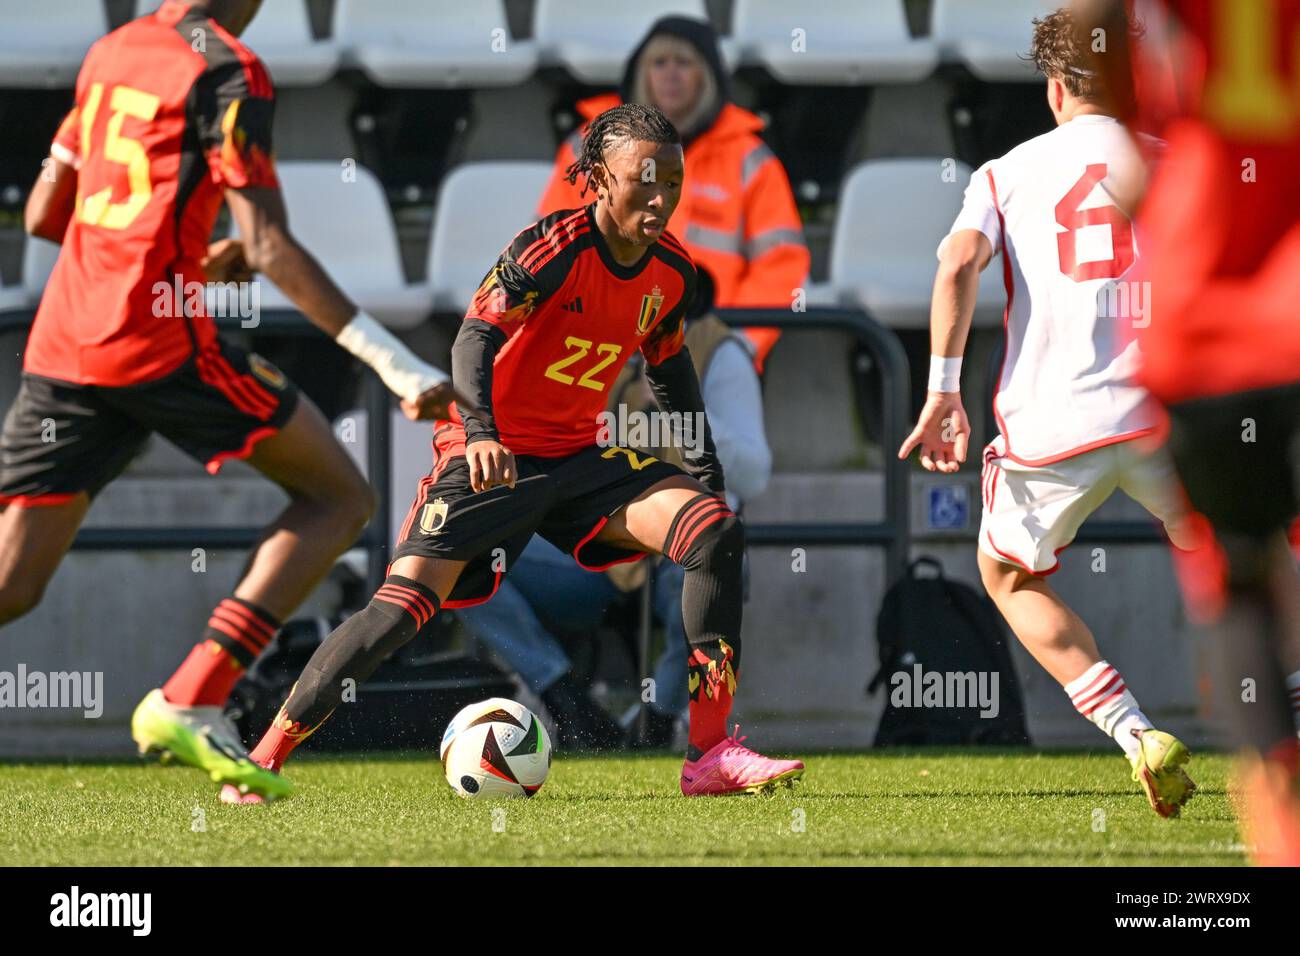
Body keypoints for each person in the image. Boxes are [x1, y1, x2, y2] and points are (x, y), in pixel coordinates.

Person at [235, 103, 804, 801]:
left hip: (578, 458)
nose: (660, 199)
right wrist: (480, 434)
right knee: (397, 611)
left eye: (672, 183)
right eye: (642, 181)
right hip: (491, 456)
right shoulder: (550, 248)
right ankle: (262, 757)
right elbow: (474, 336)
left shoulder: (672, 274)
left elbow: (669, 366)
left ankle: (708, 752)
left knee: (713, 531)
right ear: (597, 178)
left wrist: (706, 470)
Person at [0, 0, 466, 801]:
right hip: (158, 345)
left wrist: (184, 254)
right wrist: (395, 364)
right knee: (338, 495)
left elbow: (47, 213)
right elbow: (269, 244)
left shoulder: (113, 48)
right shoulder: (226, 69)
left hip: (68, 347)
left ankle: (192, 699)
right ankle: (191, 695)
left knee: (11, 584)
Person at [898, 7, 1197, 817]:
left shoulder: (1006, 170)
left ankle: (1136, 734)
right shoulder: (1176, 161)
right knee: (1247, 562)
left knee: (1007, 573)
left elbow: (959, 258)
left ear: (1055, 87)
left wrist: (942, 390)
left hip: (1054, 423)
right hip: (1167, 410)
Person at [1079, 0, 1300, 864]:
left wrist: (1136, 125)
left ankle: (1279, 820)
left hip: (1199, 325)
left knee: (1236, 576)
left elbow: (1089, 13)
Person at [456, 271, 772, 751]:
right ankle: (566, 700)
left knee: (727, 565)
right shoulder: (574, 339)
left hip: (673, 548)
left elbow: (754, 475)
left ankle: (659, 718)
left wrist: (683, 411)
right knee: (462, 561)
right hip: (588, 545)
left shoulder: (720, 350)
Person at [537, 16, 808, 371]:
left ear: (707, 76)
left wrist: (735, 346)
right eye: (659, 62)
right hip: (598, 343)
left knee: (726, 426)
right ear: (641, 73)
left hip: (709, 345)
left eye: (684, 63)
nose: (670, 74)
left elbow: (781, 264)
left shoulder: (749, 159)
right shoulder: (591, 145)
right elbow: (552, 247)